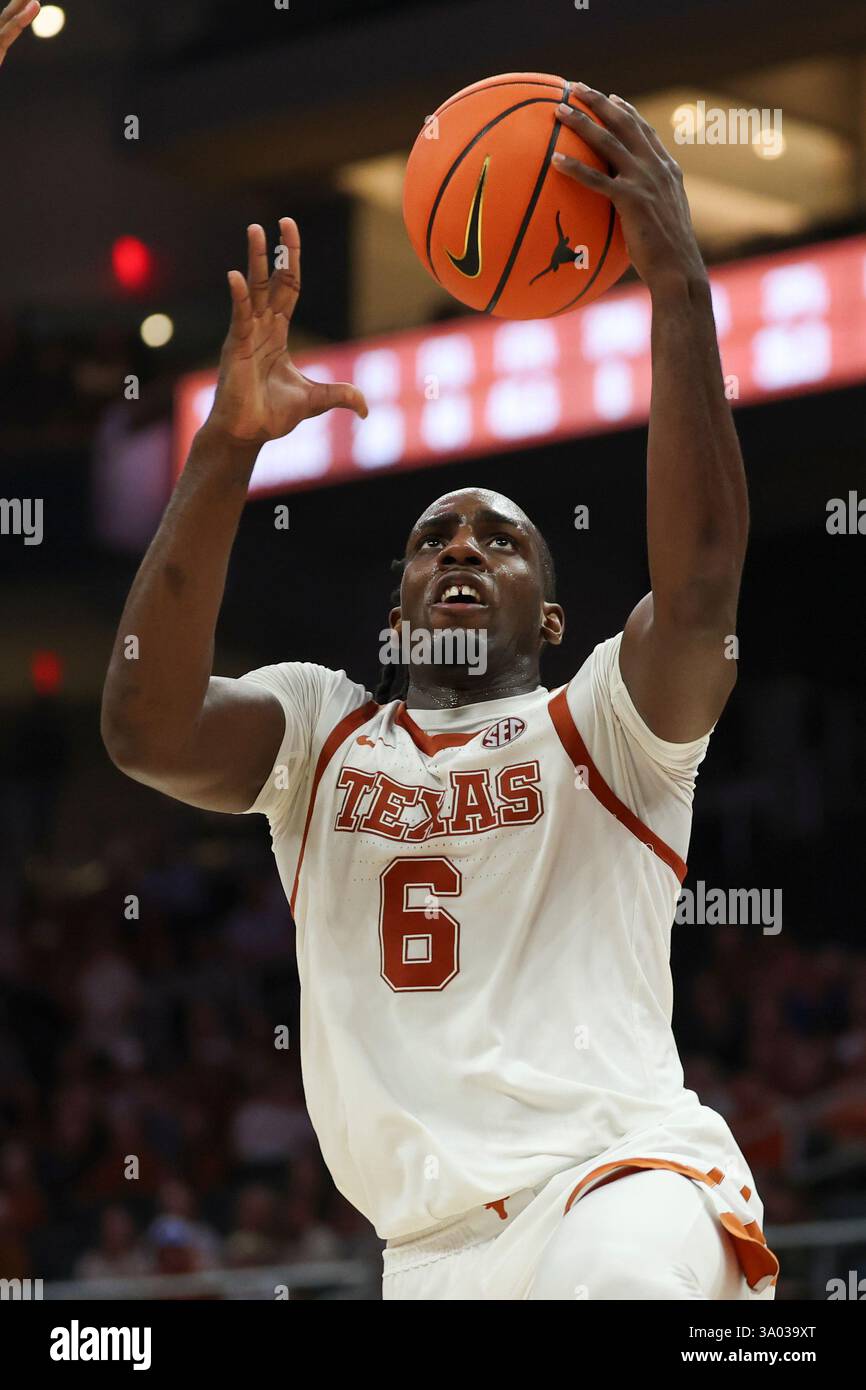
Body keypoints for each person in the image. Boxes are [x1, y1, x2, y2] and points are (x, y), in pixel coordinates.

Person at [102, 85, 777, 1300]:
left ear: (555, 620)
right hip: (428, 1254)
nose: (460, 547)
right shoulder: (320, 731)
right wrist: (225, 447)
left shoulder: (606, 727)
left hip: (616, 1187)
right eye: (432, 537)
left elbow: (701, 590)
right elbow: (142, 726)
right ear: (397, 600)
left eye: (499, 540)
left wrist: (676, 288)